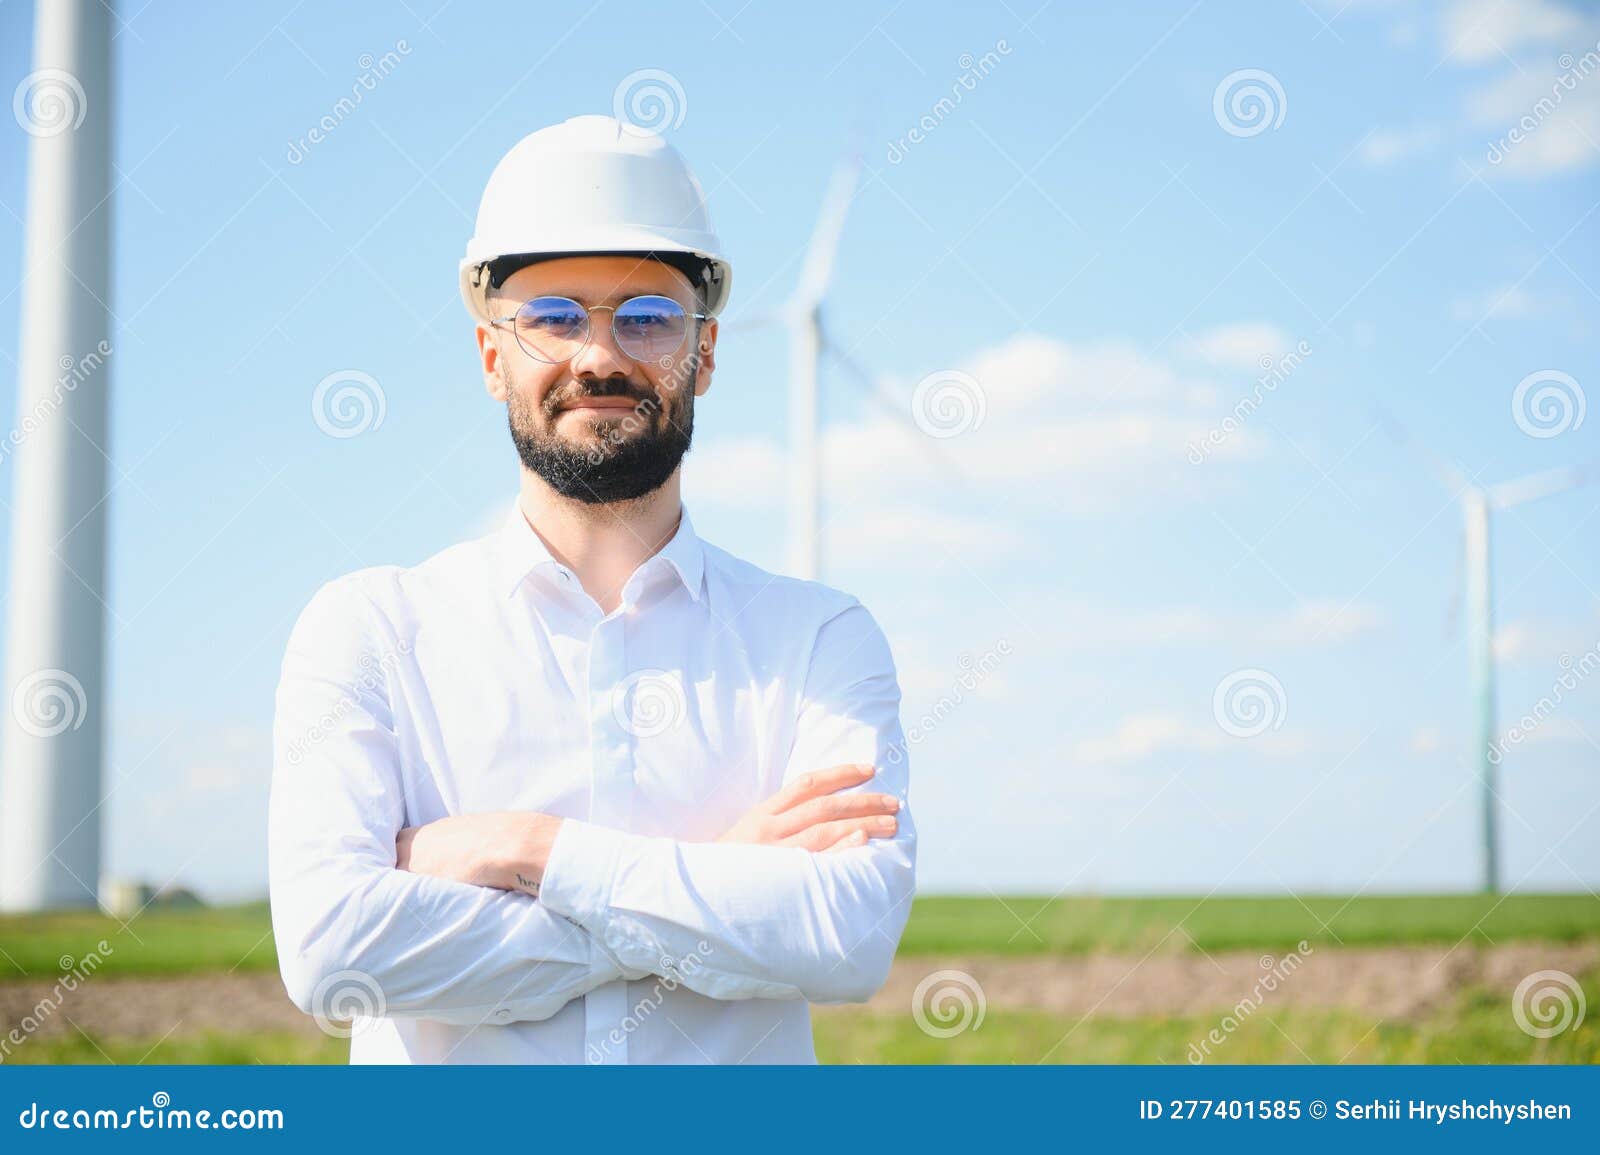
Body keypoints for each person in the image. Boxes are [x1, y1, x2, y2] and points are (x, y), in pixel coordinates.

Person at [267, 115, 916, 1064]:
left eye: (647, 317)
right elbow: (332, 952)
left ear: (705, 352)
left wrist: (530, 850)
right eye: (554, 317)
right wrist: (719, 887)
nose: (599, 355)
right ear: (494, 357)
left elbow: (845, 938)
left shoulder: (820, 641)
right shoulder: (367, 630)